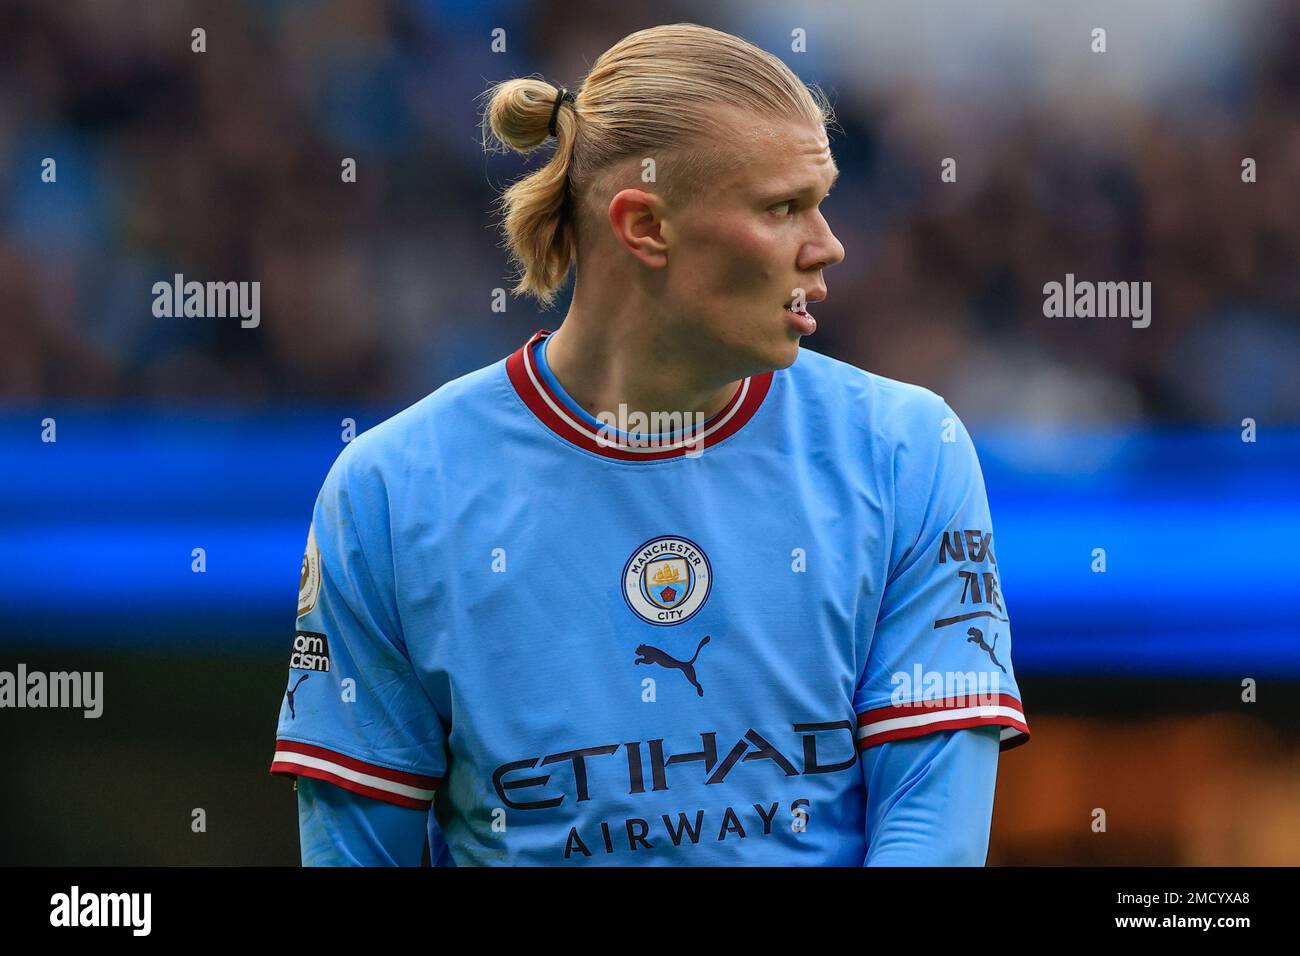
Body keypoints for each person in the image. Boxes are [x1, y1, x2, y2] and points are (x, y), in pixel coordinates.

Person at [269, 22, 1028, 866]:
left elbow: (933, 837)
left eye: (822, 201)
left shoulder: (906, 451)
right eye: (784, 208)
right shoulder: (388, 491)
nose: (828, 245)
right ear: (646, 227)